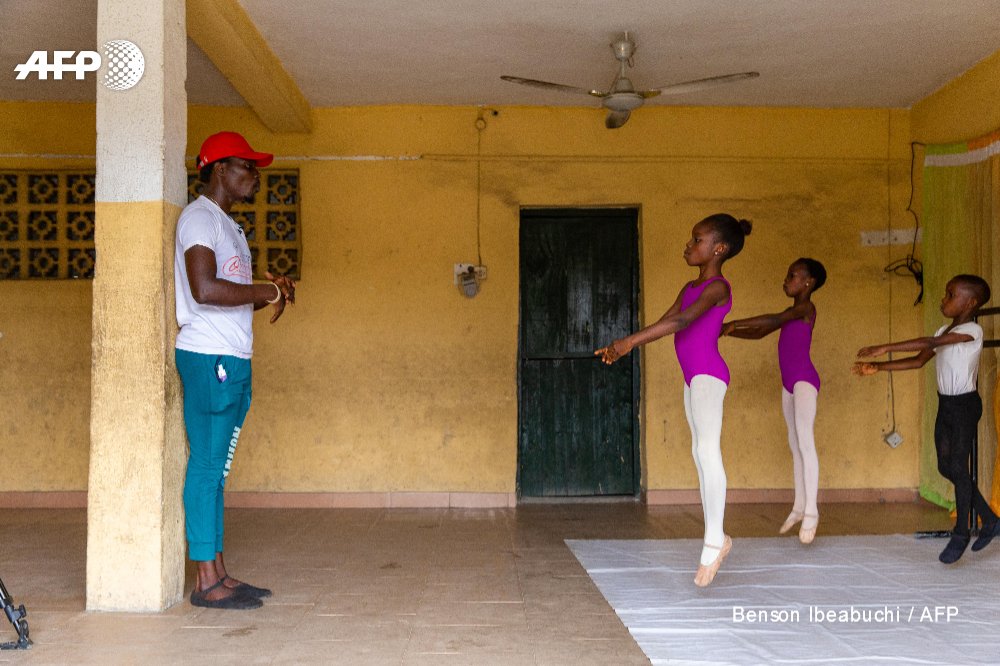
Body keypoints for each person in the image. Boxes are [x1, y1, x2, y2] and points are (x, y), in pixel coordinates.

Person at [596, 213, 752, 587]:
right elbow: (666, 322)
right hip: (692, 377)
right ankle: (716, 537)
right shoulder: (689, 287)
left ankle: (716, 540)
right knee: (700, 453)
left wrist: (628, 343)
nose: (688, 245)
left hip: (709, 374)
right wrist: (624, 346)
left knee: (708, 451)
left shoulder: (719, 286)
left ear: (719, 248)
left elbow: (682, 324)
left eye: (697, 240)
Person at [175, 131, 296, 609]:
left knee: (217, 470)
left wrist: (271, 285)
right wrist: (266, 295)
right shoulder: (198, 218)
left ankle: (220, 571)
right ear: (219, 169)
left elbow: (228, 284)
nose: (256, 176)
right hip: (209, 359)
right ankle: (206, 582)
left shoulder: (228, 225)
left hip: (232, 359)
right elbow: (204, 289)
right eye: (247, 166)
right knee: (206, 467)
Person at [854, 274, 1000, 564]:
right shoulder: (944, 328)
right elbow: (919, 359)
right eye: (946, 293)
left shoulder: (972, 330)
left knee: (958, 465)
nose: (943, 299)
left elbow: (932, 342)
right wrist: (879, 367)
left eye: (950, 295)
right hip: (947, 405)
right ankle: (990, 520)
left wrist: (885, 346)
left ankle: (961, 534)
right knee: (946, 466)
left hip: (965, 406)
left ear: (970, 302)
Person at [721, 258, 826, 544]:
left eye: (792, 276)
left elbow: (773, 320)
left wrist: (733, 324)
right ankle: (798, 506)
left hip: (804, 380)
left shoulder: (805, 309)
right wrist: (730, 331)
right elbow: (762, 332)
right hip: (788, 385)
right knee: (794, 445)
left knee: (806, 442)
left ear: (808, 282)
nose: (786, 280)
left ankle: (812, 511)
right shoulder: (792, 312)